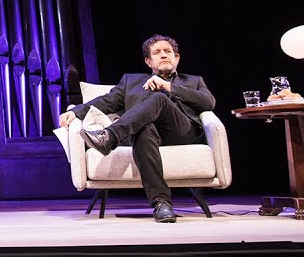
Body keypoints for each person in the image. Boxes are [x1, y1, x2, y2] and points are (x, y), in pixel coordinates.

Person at [57, 34, 215, 223]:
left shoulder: (194, 81)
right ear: (148, 61)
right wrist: (76, 111)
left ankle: (109, 137)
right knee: (144, 129)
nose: (164, 55)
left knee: (159, 98)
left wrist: (167, 86)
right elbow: (106, 102)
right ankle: (161, 204)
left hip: (181, 132)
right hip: (146, 136)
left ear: (177, 58)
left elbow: (209, 102)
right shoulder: (131, 82)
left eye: (168, 51)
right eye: (157, 52)